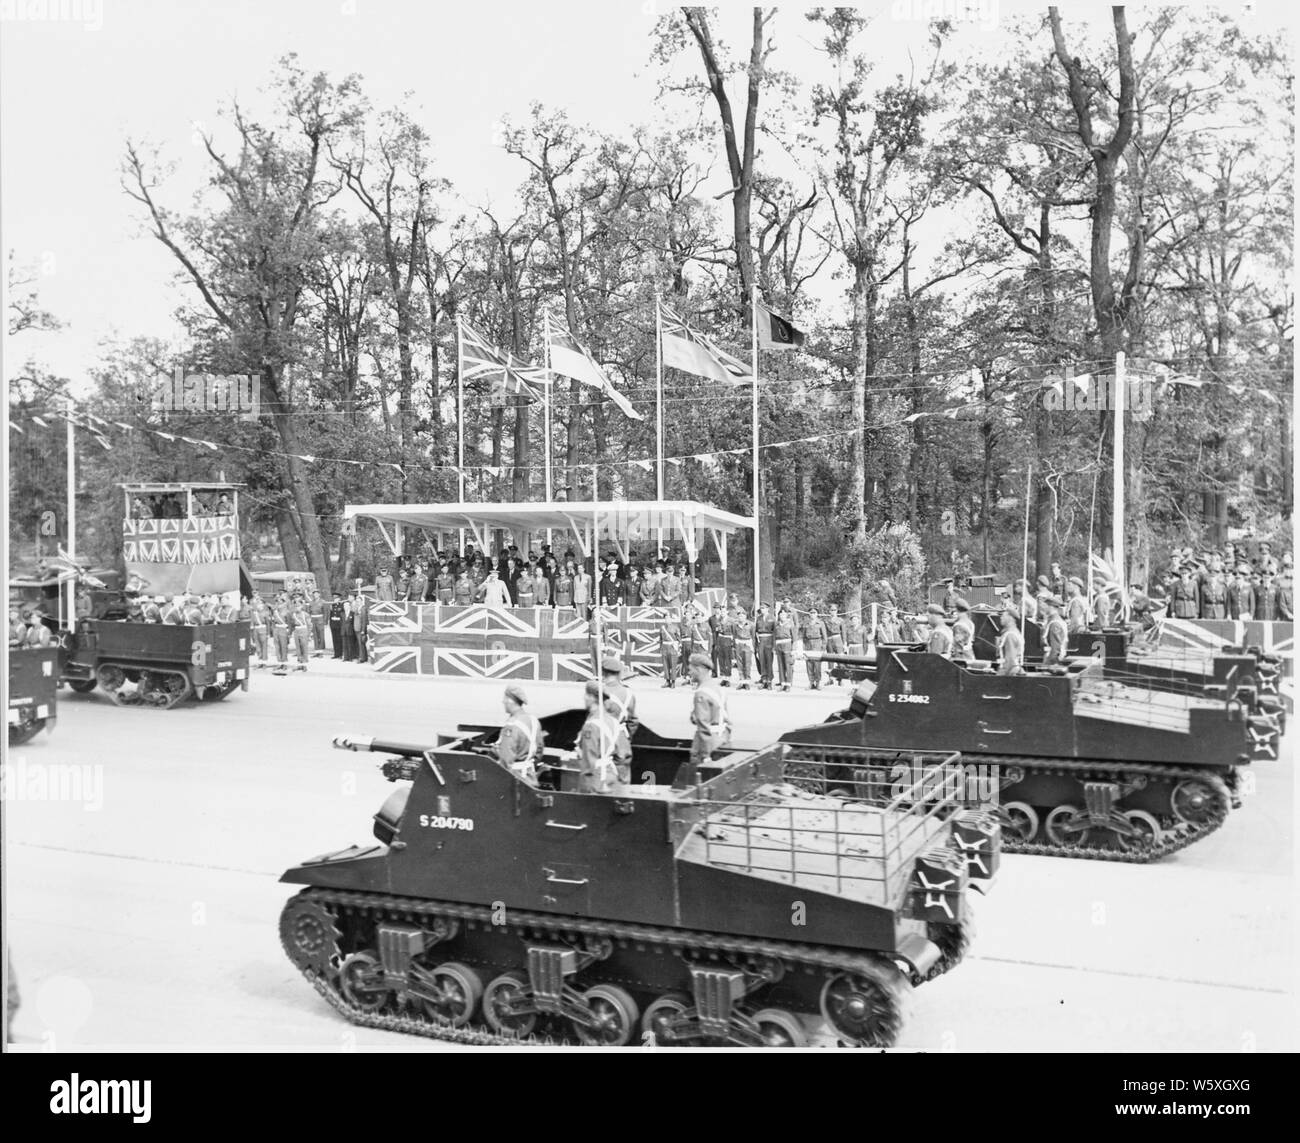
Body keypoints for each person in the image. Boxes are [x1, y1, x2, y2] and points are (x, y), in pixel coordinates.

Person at [673, 653, 731, 789]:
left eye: (690, 670)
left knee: (696, 784)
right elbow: (727, 721)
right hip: (721, 739)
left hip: (706, 744)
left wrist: (705, 755)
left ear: (699, 669)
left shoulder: (701, 693)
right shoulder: (719, 689)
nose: (689, 673)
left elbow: (703, 726)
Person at [574, 680, 631, 794]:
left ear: (592, 698)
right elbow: (622, 756)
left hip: (596, 782)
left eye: (586, 695)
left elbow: (588, 763)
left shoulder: (591, 725)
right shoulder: (614, 722)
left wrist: (583, 792)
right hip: (612, 777)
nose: (584, 698)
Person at [600, 657, 638, 782]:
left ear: (603, 672)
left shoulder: (599, 692)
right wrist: (625, 738)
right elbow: (633, 721)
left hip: (603, 738)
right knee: (623, 779)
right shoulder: (628, 693)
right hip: (622, 740)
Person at [496, 684, 543, 783]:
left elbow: (505, 760)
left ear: (510, 700)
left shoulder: (511, 725)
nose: (503, 702)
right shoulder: (534, 720)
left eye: (505, 698)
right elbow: (539, 751)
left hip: (516, 780)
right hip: (531, 777)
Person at [801, 607, 827, 689]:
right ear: (809, 614)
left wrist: (823, 648)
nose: (812, 614)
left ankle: (818, 682)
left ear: (817, 614)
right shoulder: (806, 624)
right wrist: (804, 646)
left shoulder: (821, 623)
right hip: (808, 644)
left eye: (814, 613)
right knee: (809, 664)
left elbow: (824, 637)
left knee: (817, 664)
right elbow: (803, 636)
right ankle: (811, 682)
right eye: (811, 613)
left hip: (817, 644)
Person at [710, 602, 735, 686]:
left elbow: (734, 633)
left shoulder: (731, 620)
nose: (722, 613)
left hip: (728, 641)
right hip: (720, 640)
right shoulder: (718, 620)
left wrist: (733, 644)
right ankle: (723, 677)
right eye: (721, 611)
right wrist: (716, 643)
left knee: (727, 660)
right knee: (721, 660)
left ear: (727, 611)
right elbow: (716, 632)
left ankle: (728, 678)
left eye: (724, 611)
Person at [732, 607, 756, 689]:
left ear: (745, 616)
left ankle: (747, 682)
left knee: (747, 663)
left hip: (747, 645)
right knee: (740, 664)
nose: (740, 618)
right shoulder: (735, 625)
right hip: (739, 644)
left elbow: (753, 636)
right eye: (739, 616)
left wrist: (753, 647)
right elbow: (734, 635)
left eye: (742, 616)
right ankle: (741, 681)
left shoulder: (751, 625)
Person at [773, 604, 796, 691]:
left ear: (787, 615)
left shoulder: (790, 624)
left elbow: (794, 638)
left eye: (784, 614)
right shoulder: (777, 625)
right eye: (780, 614)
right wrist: (774, 648)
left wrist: (794, 649)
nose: (782, 616)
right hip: (779, 645)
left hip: (787, 645)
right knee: (780, 665)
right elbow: (774, 636)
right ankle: (782, 683)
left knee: (788, 665)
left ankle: (788, 684)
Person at [1042, 596, 1069, 667]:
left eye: (1045, 606)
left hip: (1053, 660)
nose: (1043, 608)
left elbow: (1056, 648)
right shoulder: (1054, 620)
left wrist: (1049, 664)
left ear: (1051, 607)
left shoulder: (1055, 624)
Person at [754, 602, 775, 689]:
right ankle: (764, 680)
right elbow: (755, 632)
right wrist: (756, 644)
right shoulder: (758, 618)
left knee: (769, 661)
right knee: (762, 661)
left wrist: (774, 645)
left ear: (767, 609)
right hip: (761, 641)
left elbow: (775, 632)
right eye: (761, 608)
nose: (762, 610)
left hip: (769, 641)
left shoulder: (772, 618)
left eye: (764, 608)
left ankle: (769, 681)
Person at [997, 610, 1025, 676]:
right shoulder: (1014, 632)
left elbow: (1010, 659)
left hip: (1009, 671)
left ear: (1010, 618)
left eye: (1003, 616)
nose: (1001, 618)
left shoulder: (1010, 635)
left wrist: (1002, 674)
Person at [270, 600, 291, 676]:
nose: (278, 605)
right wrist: (273, 631)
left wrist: (289, 632)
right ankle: (279, 663)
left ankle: (284, 663)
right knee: (277, 647)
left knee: (283, 647)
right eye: (277, 603)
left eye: (280, 603)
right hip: (276, 629)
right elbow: (273, 621)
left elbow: (289, 623)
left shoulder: (287, 612)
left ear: (284, 604)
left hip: (283, 629)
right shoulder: (275, 612)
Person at [352, 592, 370, 664]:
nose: (358, 602)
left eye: (359, 601)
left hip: (360, 629)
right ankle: (364, 657)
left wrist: (363, 630)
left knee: (361, 644)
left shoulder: (363, 608)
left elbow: (364, 620)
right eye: (357, 601)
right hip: (357, 628)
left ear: (362, 601)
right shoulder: (357, 608)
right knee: (361, 644)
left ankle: (361, 658)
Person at [308, 589, 327, 656]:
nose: (315, 595)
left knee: (321, 636)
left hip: (320, 619)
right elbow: (309, 611)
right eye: (314, 594)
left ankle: (321, 651)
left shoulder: (322, 601)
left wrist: (325, 621)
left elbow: (325, 612)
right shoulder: (311, 602)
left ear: (319, 594)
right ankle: (316, 651)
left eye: (317, 593)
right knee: (315, 636)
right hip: (313, 619)